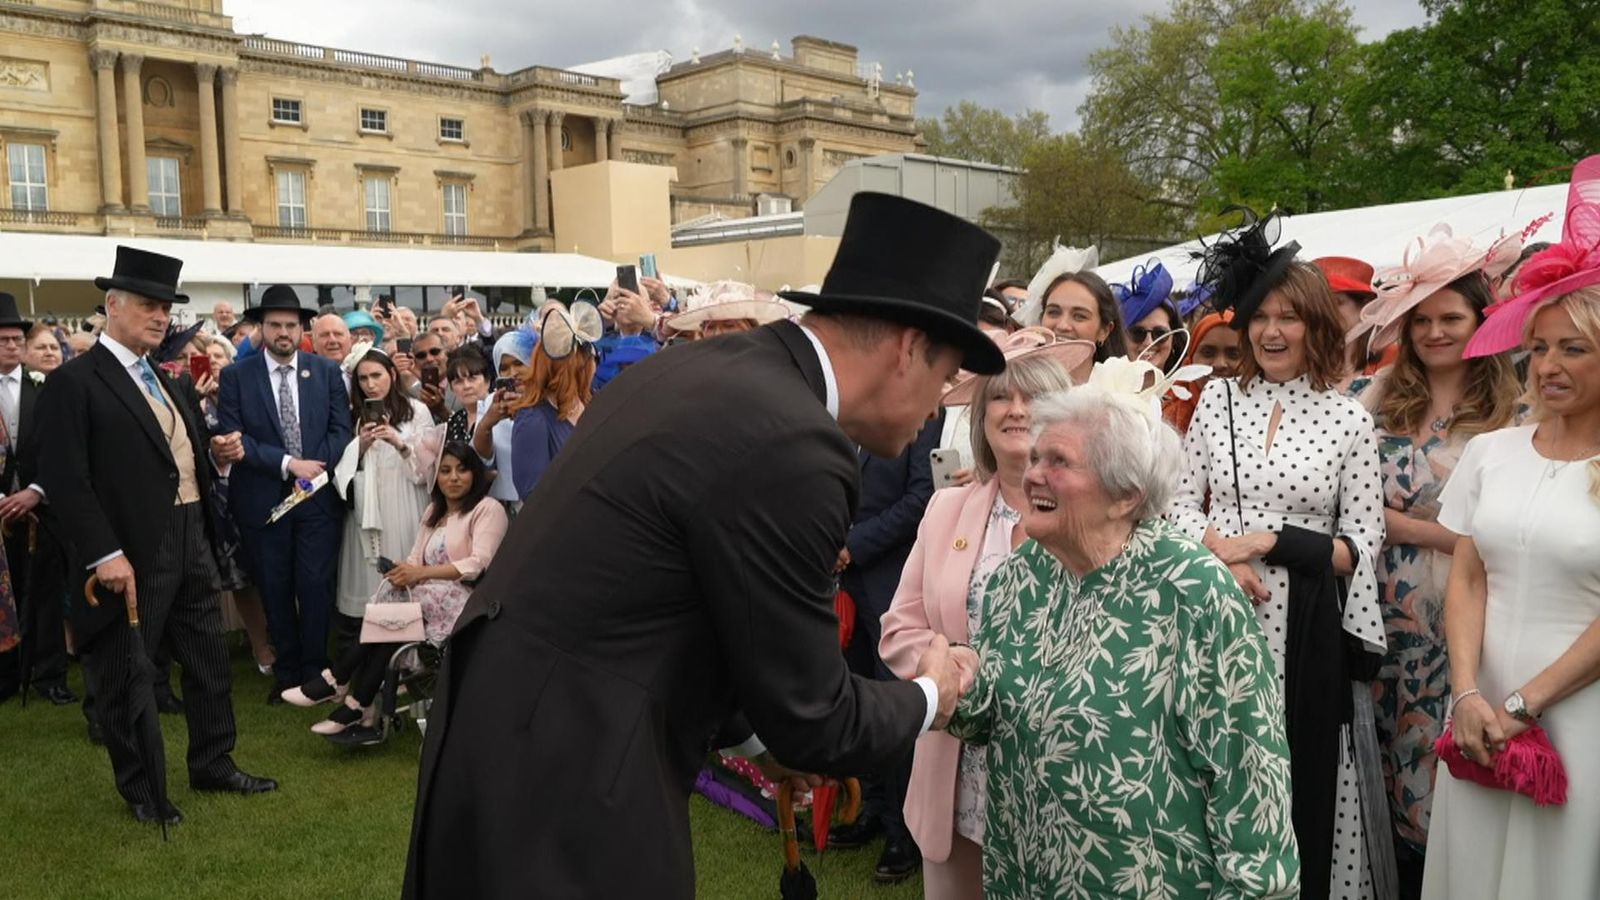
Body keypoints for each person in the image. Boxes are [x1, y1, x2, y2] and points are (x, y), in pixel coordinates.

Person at [403, 193, 998, 898]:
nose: (940, 406)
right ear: (907, 348)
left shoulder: (700, 372)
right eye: (947, 377)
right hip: (570, 772)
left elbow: (683, 594)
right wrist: (935, 691)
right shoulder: (797, 441)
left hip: (508, 729)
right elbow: (817, 722)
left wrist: (753, 742)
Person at [948, 381, 1299, 897]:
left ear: (1125, 496)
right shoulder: (1018, 578)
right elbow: (994, 720)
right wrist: (959, 684)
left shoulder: (1192, 590)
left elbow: (1248, 772)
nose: (1033, 473)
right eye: (1037, 457)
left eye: (1058, 462)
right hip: (1026, 880)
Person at [1171, 212, 1390, 900]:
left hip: (1306, 625)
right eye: (1261, 316)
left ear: (1315, 326)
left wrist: (1271, 542)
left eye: (1288, 317)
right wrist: (1222, 553)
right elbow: (1177, 503)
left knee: (1299, 775)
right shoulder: (1216, 403)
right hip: (1216, 608)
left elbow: (1362, 545)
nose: (1271, 331)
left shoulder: (1350, 418)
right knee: (1213, 762)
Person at [34, 246, 275, 824]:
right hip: (131, 547)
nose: (161, 316)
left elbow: (173, 457)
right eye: (148, 304)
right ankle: (143, 788)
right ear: (112, 307)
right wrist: (104, 553)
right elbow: (66, 480)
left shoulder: (167, 379)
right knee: (130, 670)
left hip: (193, 532)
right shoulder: (75, 382)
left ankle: (213, 762)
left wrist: (216, 456)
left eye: (166, 307)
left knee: (209, 658)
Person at [1421, 156, 1600, 900]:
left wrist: (1526, 705)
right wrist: (1467, 694)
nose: (1548, 365)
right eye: (1540, 346)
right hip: (1478, 712)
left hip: (1579, 718)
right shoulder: (1492, 452)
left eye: (1573, 348)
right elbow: (1467, 577)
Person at [879, 333, 1088, 898]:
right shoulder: (947, 508)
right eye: (1000, 397)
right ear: (981, 416)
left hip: (1063, 777)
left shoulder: (1093, 518)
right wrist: (949, 666)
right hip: (957, 774)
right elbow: (899, 628)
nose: (1016, 409)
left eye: (1033, 397)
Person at [1345, 235, 1521, 892]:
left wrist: (1408, 528)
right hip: (1377, 618)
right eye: (1421, 319)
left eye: (1451, 317)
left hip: (1466, 622)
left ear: (1481, 320)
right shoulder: (1372, 396)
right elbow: (1337, 499)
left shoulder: (1515, 413)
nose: (1434, 331)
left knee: (1451, 775)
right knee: (1379, 769)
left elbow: (1508, 529)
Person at [286, 441, 508, 744]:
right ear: (436, 477)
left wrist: (421, 575)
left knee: (395, 616)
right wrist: (402, 573)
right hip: (425, 602)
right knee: (391, 614)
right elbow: (415, 559)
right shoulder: (434, 512)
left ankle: (339, 681)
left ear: (475, 474)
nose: (454, 477)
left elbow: (477, 564)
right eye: (445, 471)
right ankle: (356, 703)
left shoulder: (488, 509)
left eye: (462, 470)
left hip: (467, 600)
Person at [217, 284, 352, 704]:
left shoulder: (325, 372)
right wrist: (289, 464)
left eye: (291, 325)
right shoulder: (236, 376)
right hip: (262, 500)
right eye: (274, 324)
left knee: (314, 585)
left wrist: (314, 470)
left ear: (302, 329)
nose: (283, 332)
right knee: (274, 587)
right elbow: (235, 436)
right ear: (261, 328)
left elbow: (341, 431)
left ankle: (316, 672)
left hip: (317, 499)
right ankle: (287, 673)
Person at [828, 409, 944, 884]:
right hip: (846, 584)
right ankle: (872, 810)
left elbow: (920, 499)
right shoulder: (854, 412)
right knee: (856, 699)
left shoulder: (925, 416)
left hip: (890, 582)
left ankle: (903, 834)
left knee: (891, 705)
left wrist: (854, 545)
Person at [332, 347, 432, 656]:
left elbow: (428, 469)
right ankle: (371, 657)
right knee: (370, 576)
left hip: (406, 500)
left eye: (376, 375)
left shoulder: (416, 411)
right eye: (363, 378)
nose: (370, 384)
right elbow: (342, 472)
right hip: (368, 507)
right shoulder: (352, 414)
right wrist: (360, 445)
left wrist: (398, 442)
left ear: (391, 373)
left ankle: (411, 655)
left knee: (405, 570)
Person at [0, 293, 68, 704]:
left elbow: (60, 449)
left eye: (16, 340)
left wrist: (35, 491)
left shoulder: (44, 388)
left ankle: (49, 674)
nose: (11, 346)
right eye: (3, 340)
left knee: (45, 591)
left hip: (41, 508)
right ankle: (6, 673)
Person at [508, 303, 599, 501]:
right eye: (592, 359)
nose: (595, 366)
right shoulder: (533, 420)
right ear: (575, 368)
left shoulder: (593, 404)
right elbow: (533, 493)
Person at [471, 327, 534, 509]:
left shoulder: (548, 398)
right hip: (505, 505)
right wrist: (487, 423)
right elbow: (481, 458)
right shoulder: (492, 402)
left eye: (519, 363)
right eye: (504, 368)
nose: (513, 372)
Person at [1163, 310, 1240, 433]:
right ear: (1191, 358)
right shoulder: (1162, 419)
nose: (1220, 364)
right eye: (1208, 353)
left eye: (1234, 354)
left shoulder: (1266, 413)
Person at [1115, 260, 1188, 373]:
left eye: (1160, 333)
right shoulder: (1100, 383)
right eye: (1137, 333)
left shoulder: (1188, 383)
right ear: (1122, 339)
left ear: (1174, 339)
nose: (1149, 342)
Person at [442, 346, 490, 443]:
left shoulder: (502, 415)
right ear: (451, 388)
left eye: (472, 379)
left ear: (487, 381)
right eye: (458, 382)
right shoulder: (453, 422)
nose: (466, 386)